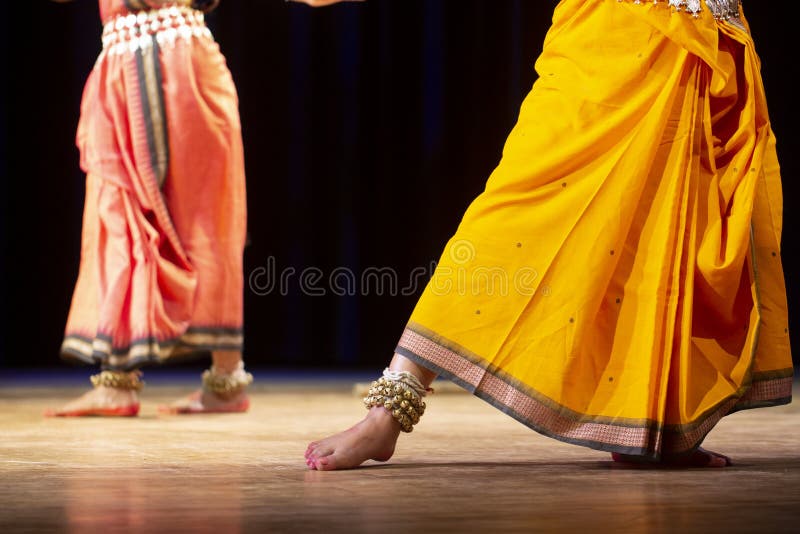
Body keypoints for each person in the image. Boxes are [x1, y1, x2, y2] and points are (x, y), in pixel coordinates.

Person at [305, 0, 794, 469]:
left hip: (707, 36)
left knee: (675, 228)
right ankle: (387, 412)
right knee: (516, 213)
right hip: (609, 33)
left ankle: (659, 429)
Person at [47, 0, 253, 416]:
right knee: (132, 215)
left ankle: (213, 383)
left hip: (177, 72)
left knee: (206, 220)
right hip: (138, 68)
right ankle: (211, 383)